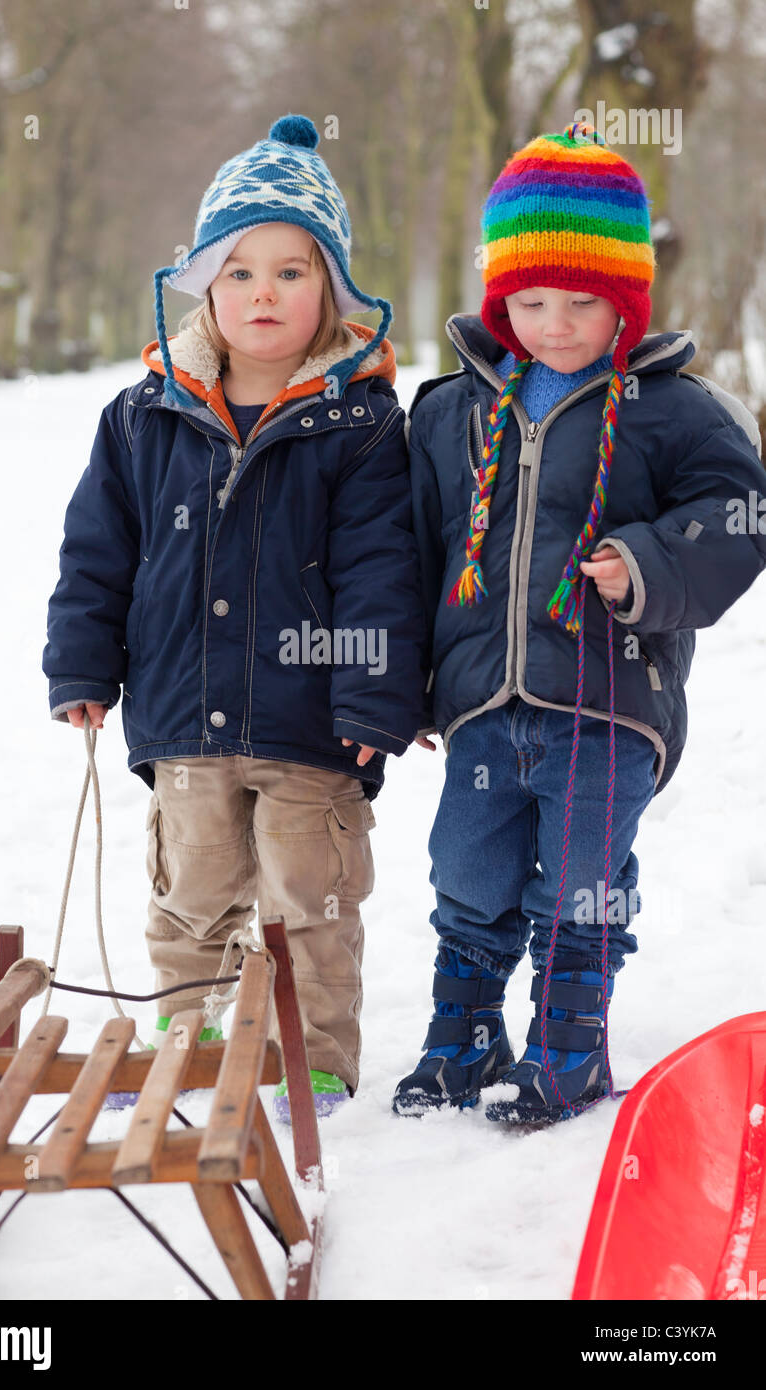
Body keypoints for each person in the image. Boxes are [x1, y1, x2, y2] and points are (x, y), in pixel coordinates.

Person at [42, 114, 426, 1120]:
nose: (264, 293)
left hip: (312, 724)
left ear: (332, 291)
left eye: (292, 272)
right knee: (191, 899)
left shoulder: (360, 424)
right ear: (204, 285)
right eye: (240, 271)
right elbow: (97, 555)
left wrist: (372, 698)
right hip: (181, 710)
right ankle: (188, 1044)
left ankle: (314, 1058)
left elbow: (383, 570)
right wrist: (83, 666)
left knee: (313, 903)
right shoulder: (142, 416)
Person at [395, 121, 766, 1125]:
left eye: (579, 302)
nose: (551, 324)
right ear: (497, 297)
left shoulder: (675, 410)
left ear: (625, 301)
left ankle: (568, 1049)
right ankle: (463, 1036)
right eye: (527, 300)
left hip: (605, 702)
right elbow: (409, 555)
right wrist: (401, 682)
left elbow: (736, 519)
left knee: (580, 881)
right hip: (480, 698)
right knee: (466, 869)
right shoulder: (446, 412)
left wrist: (645, 561)